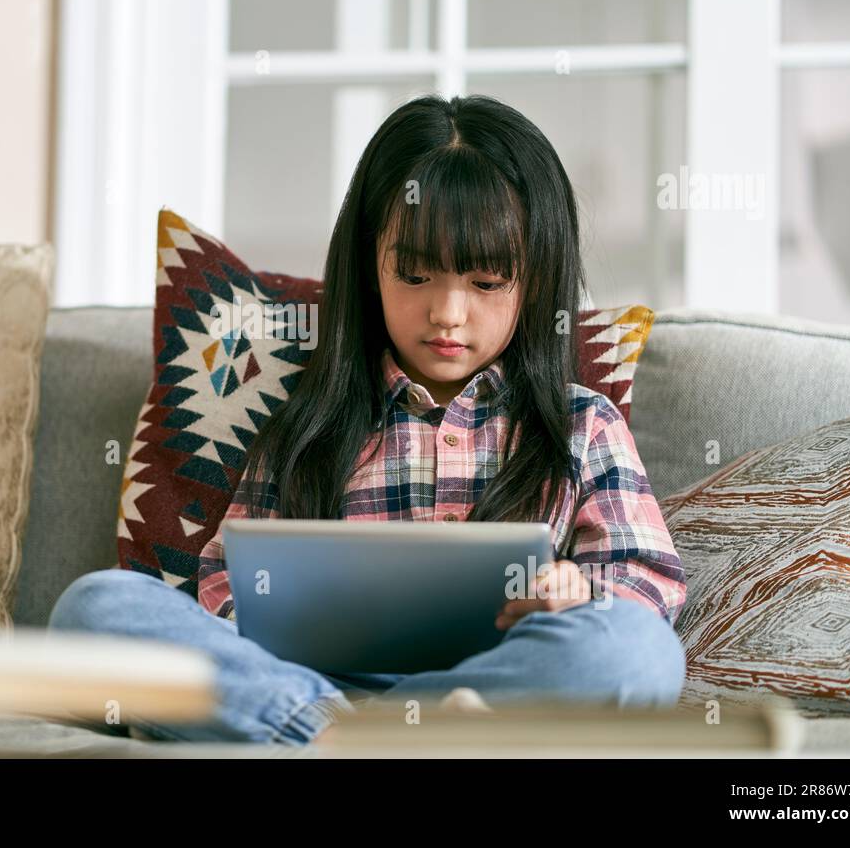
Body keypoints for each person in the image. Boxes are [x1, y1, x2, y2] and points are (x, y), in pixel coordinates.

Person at [47, 93, 688, 746]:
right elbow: (223, 588)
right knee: (95, 608)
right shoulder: (310, 422)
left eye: (487, 282)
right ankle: (344, 734)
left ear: (537, 278)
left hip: (496, 685)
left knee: (638, 651)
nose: (447, 312)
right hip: (310, 685)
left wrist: (578, 590)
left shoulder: (582, 425)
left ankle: (367, 737)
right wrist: (274, 627)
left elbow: (649, 581)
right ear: (369, 265)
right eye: (414, 274)